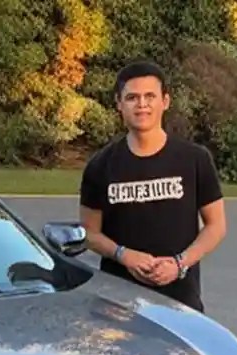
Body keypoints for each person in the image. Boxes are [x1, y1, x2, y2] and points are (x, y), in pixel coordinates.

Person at [78, 61, 228, 313]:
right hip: (118, 301)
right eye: (132, 97)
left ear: (165, 101)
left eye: (150, 96)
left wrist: (180, 264)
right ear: (119, 103)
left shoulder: (194, 159)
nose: (142, 104)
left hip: (181, 300)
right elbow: (90, 233)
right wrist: (124, 255)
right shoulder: (101, 165)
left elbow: (216, 225)